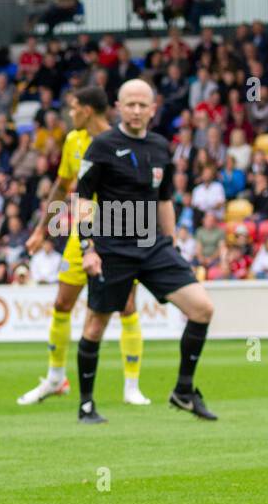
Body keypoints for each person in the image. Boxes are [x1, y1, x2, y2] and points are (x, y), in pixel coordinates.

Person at [74, 79, 218, 424]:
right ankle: (86, 405)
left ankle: (183, 391)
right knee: (95, 326)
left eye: (143, 105)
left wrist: (171, 244)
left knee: (202, 308)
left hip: (152, 245)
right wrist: (87, 247)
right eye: (130, 104)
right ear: (118, 108)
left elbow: (164, 199)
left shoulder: (160, 147)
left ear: (153, 109)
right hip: (112, 248)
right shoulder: (101, 146)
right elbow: (82, 200)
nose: (137, 110)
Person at [18, 86, 149, 407]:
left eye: (74, 107)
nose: (70, 113)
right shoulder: (74, 141)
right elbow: (62, 187)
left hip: (119, 237)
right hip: (82, 237)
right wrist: (42, 231)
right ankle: (54, 378)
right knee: (62, 304)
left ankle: (132, 386)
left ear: (88, 110)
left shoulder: (124, 141)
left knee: (126, 306)